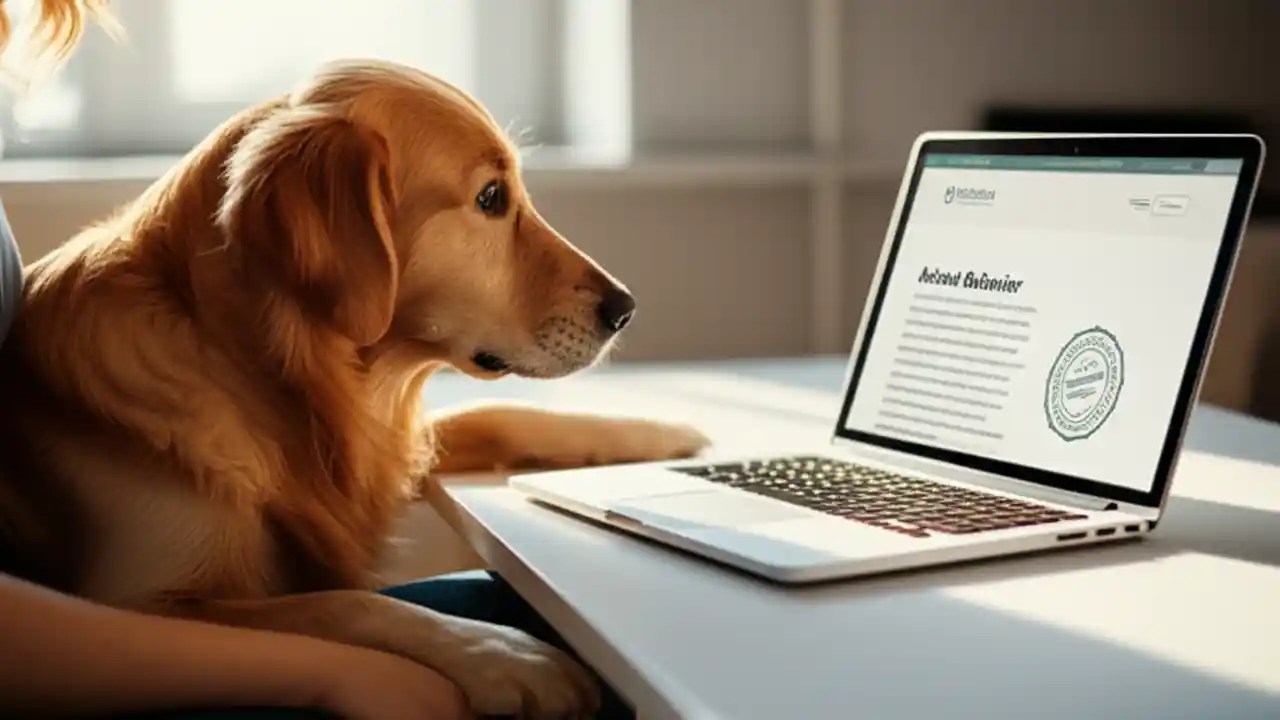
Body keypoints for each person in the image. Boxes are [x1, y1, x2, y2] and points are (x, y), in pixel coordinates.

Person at [0, 3, 630, 718]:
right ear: (336, 239)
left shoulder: (177, 363)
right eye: (492, 199)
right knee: (606, 667)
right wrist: (343, 663)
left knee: (595, 626)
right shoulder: (121, 400)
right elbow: (141, 612)